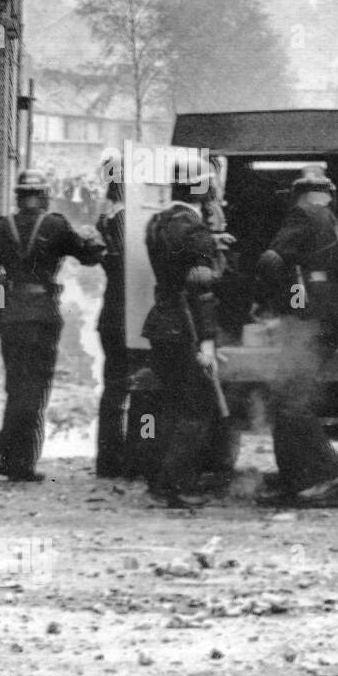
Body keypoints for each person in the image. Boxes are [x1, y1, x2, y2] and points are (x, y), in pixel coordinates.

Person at [0, 170, 104, 481]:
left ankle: (5, 455)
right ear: (43, 196)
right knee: (36, 389)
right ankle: (22, 463)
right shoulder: (55, 225)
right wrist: (93, 237)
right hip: (43, 318)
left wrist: (1, 289)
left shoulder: (1, 228)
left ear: (18, 196)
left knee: (16, 387)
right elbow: (90, 256)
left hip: (11, 318)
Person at [255, 166, 338, 503]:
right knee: (288, 401)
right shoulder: (334, 221)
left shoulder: (302, 214)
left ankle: (331, 474)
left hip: (307, 318)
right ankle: (296, 482)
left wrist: (266, 298)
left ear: (297, 193)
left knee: (292, 403)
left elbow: (271, 260)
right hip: (332, 315)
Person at [141, 161, 227, 508]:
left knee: (169, 404)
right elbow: (202, 287)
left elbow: (175, 263)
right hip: (186, 326)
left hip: (161, 322)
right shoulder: (195, 232)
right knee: (197, 407)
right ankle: (178, 484)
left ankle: (159, 480)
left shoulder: (157, 222)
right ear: (203, 191)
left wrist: (212, 243)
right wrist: (207, 341)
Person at [95, 151, 128, 478]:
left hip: (113, 313)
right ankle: (121, 458)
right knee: (132, 390)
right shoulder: (121, 218)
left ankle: (110, 459)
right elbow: (125, 262)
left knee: (115, 390)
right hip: (125, 314)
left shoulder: (107, 214)